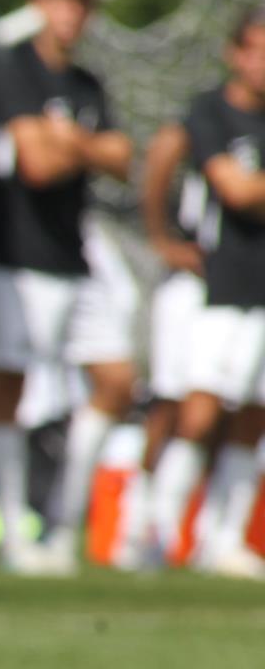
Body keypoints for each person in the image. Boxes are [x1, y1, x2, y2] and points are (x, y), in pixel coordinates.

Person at [0, 0, 135, 575]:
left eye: (81, 5)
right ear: (40, 3)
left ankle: (64, 523)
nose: (70, 16)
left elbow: (123, 156)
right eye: (61, 2)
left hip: (75, 253)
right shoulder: (14, 70)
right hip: (15, 255)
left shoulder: (88, 84)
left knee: (117, 381)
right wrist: (84, 150)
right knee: (8, 387)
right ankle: (13, 531)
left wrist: (70, 141)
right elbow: (35, 166)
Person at [145, 9, 265, 577]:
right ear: (235, 53)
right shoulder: (209, 111)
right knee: (198, 408)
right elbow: (234, 190)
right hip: (219, 282)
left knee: (254, 414)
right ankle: (158, 530)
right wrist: (160, 238)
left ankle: (225, 539)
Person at [120, 115, 208, 567]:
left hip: (251, 282)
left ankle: (196, 534)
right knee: (173, 402)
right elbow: (160, 159)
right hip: (199, 279)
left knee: (238, 412)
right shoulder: (206, 113)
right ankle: (137, 523)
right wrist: (161, 239)